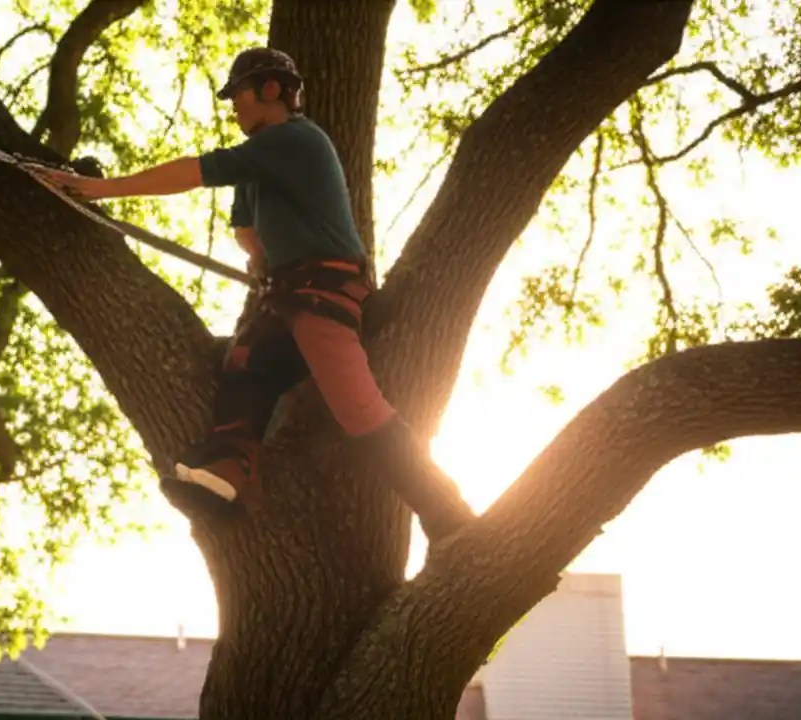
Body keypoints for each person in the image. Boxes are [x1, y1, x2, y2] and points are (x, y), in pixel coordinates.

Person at [34, 48, 474, 541]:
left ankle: (446, 511)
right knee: (244, 364)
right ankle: (229, 473)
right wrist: (260, 262)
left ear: (270, 90)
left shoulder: (295, 139)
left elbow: (197, 172)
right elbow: (246, 229)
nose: (233, 106)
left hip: (322, 292)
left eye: (238, 94)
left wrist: (101, 189)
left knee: (357, 409)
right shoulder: (260, 164)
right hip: (287, 296)